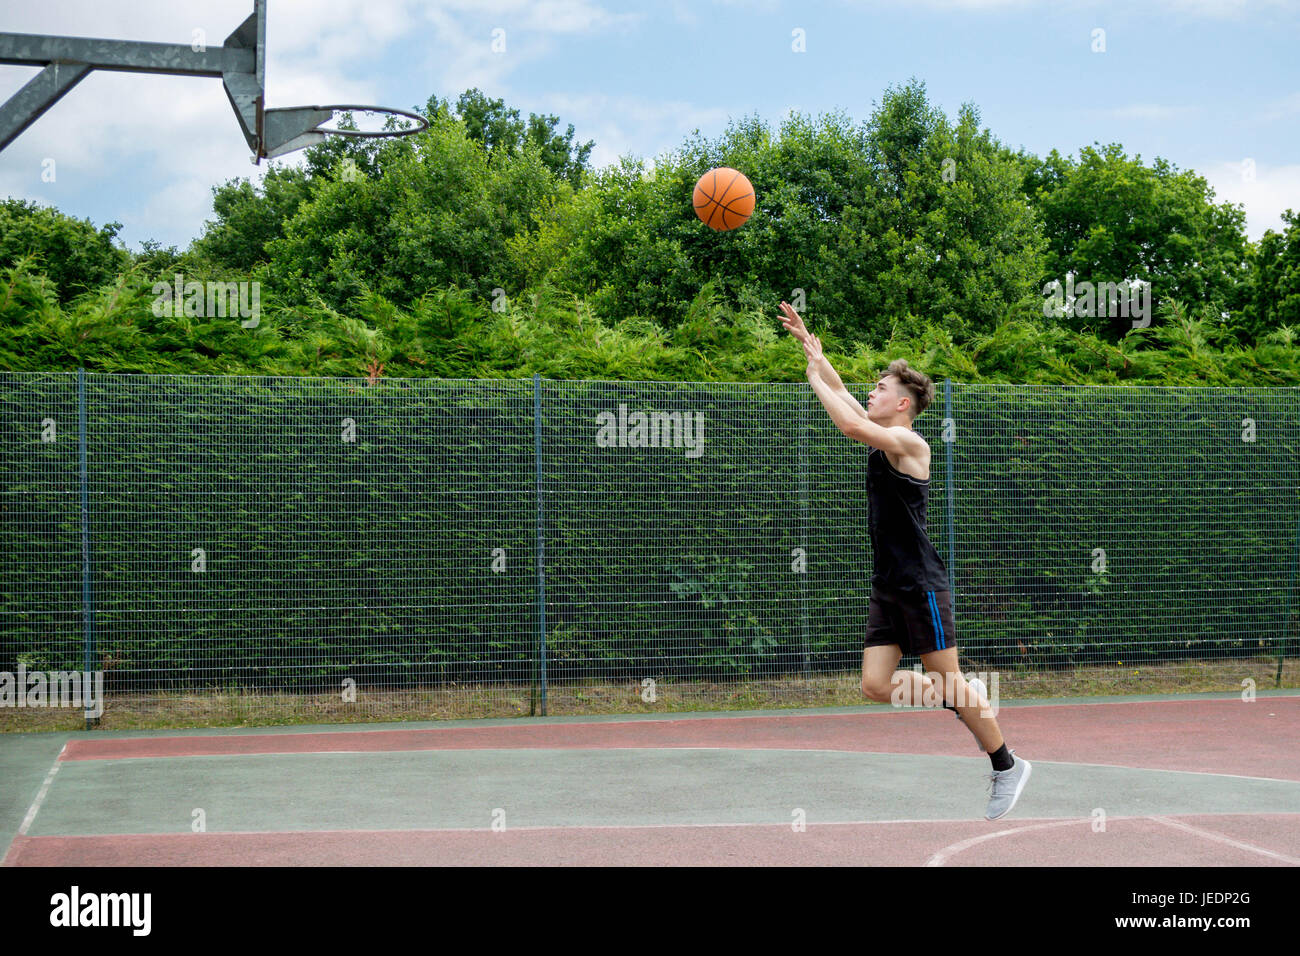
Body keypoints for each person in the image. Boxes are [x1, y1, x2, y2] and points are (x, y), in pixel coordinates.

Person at [778, 300, 1031, 820]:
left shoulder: (909, 444)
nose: (871, 392)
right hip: (889, 584)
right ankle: (962, 693)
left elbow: (849, 424)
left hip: (920, 585)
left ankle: (1006, 765)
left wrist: (812, 382)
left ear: (902, 405)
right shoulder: (884, 436)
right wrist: (815, 353)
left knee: (950, 683)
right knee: (875, 685)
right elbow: (847, 400)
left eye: (881, 389)